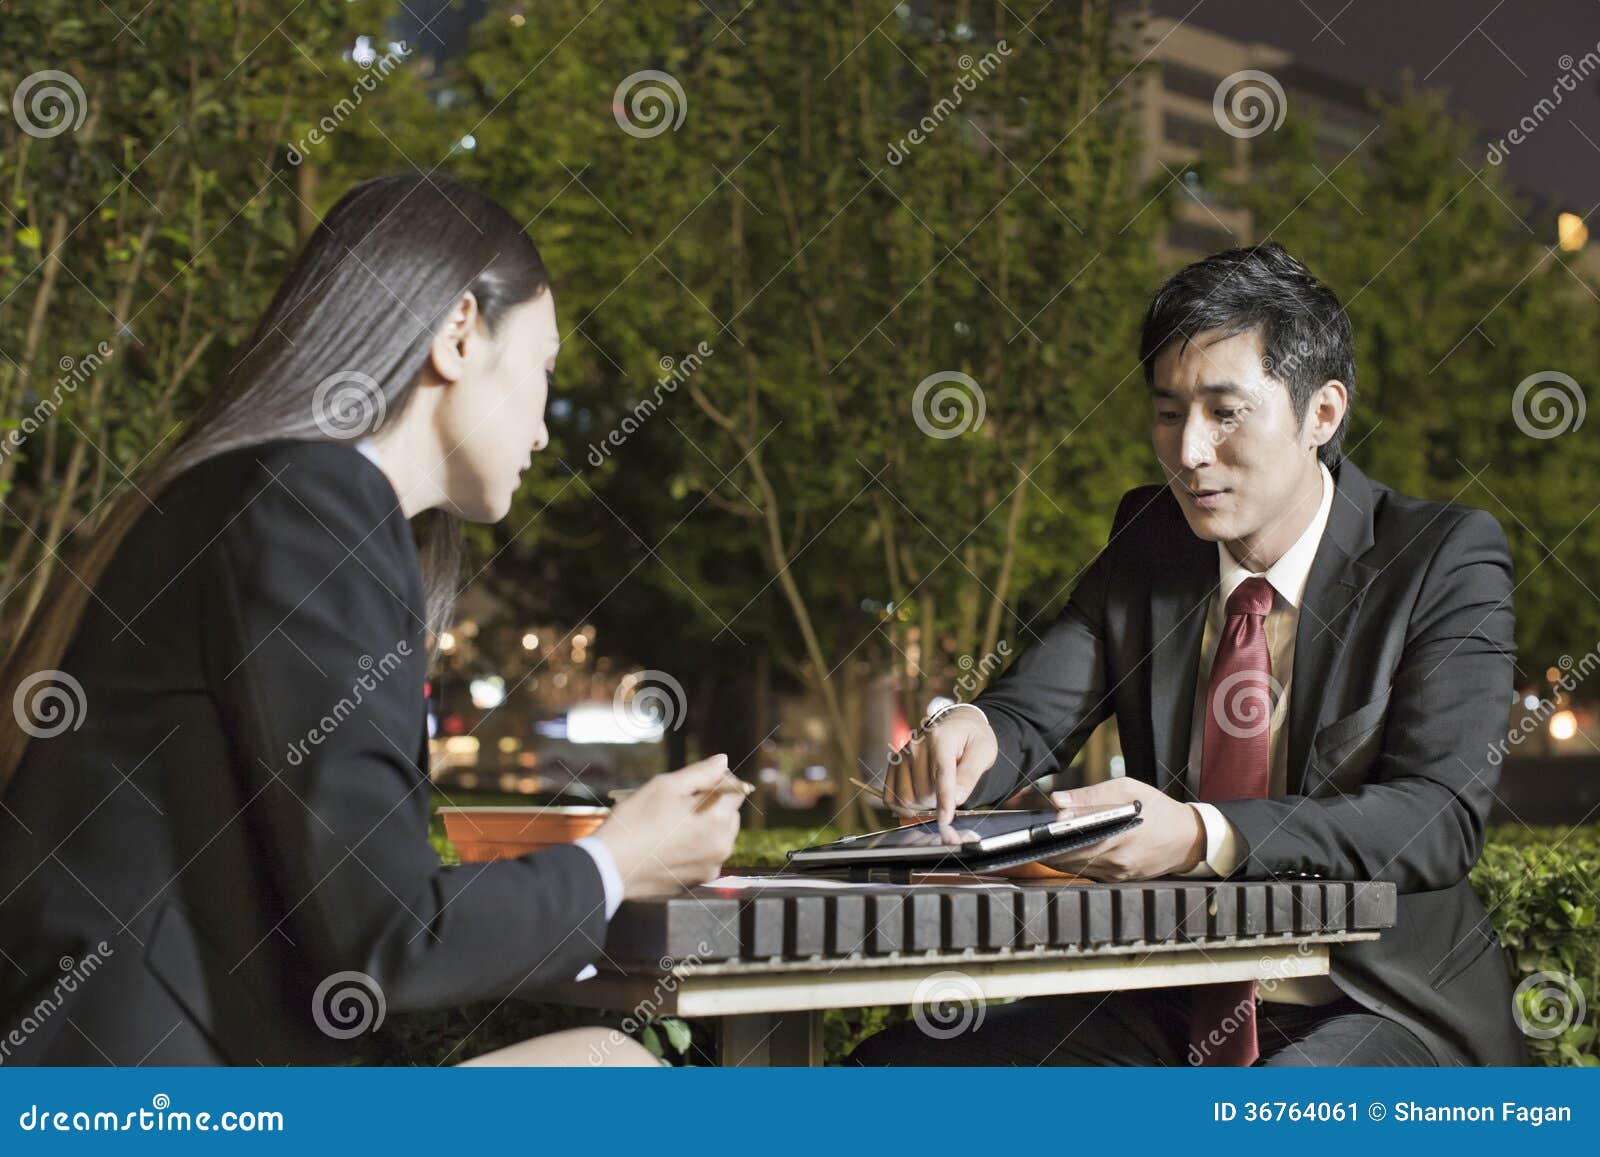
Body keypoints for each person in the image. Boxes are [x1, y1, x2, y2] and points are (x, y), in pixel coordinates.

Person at [0, 172, 741, 1067]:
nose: (546, 431)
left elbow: (346, 912)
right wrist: (619, 860)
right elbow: (391, 938)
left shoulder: (247, 493)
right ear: (460, 331)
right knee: (611, 1076)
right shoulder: (314, 503)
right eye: (543, 370)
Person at [853, 244, 1527, 1068]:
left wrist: (1202, 835)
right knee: (892, 1077)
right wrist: (969, 736)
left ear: (1323, 412)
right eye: (1168, 412)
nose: (1189, 451)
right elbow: (1028, 714)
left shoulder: (1442, 558)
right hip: (1162, 999)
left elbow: (1437, 817)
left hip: (1373, 1004)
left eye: (1225, 411)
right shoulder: (1152, 542)